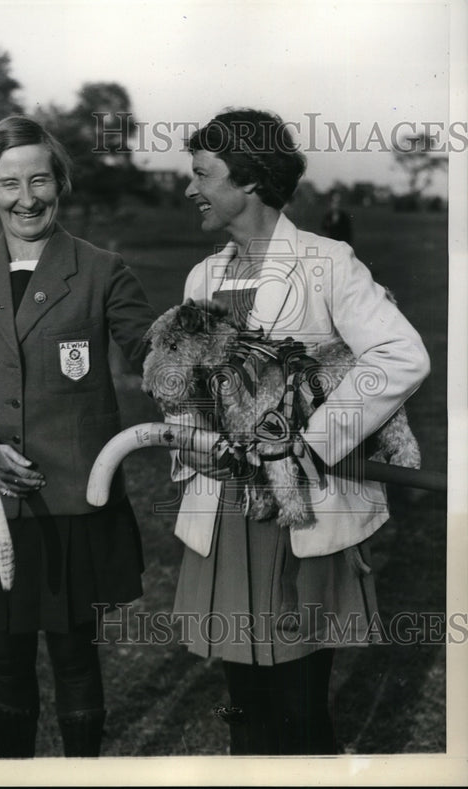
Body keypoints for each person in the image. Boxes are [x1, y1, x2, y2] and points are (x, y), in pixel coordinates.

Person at [168, 108, 430, 755]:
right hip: (226, 513)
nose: (189, 188)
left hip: (300, 512)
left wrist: (312, 443)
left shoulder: (328, 262)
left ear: (250, 182)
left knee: (301, 712)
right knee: (244, 709)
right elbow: (187, 384)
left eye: (202, 174)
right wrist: (192, 436)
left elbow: (401, 355)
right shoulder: (203, 277)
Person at [0, 115, 156, 758]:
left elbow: (156, 358)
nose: (26, 198)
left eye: (39, 180)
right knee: (6, 661)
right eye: (8, 183)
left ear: (61, 182)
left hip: (76, 505)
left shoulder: (103, 269)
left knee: (76, 659)